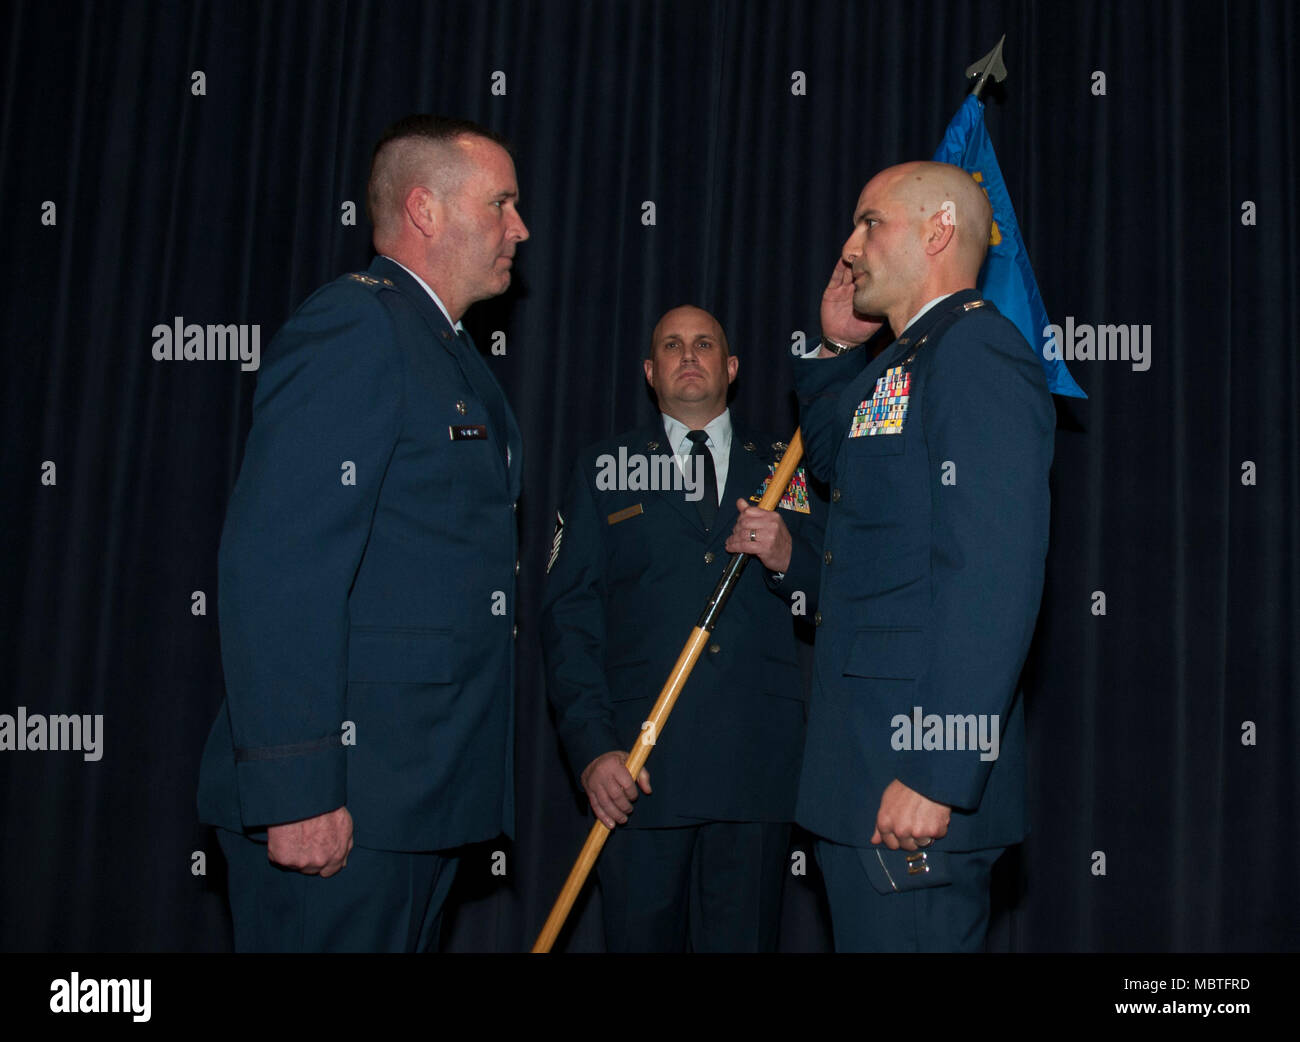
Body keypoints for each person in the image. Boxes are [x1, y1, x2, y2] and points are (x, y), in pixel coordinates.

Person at [197, 115, 529, 952]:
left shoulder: (447, 354)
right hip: (346, 799)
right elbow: (279, 566)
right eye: (501, 204)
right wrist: (297, 788)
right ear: (426, 209)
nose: (519, 228)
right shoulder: (358, 328)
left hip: (417, 795)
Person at [793, 161, 1054, 951]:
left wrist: (940, 768)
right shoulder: (904, 361)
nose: (850, 246)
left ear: (939, 230)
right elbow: (834, 464)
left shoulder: (976, 351)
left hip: (913, 774)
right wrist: (837, 350)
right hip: (863, 770)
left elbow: (994, 576)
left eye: (871, 222)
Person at [541, 305, 824, 952]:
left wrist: (789, 558)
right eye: (672, 345)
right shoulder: (603, 469)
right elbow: (568, 618)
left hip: (754, 772)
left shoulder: (787, 465)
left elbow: (839, 593)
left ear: (731, 368)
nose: (688, 355)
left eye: (704, 344)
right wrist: (591, 748)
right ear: (650, 371)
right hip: (640, 773)